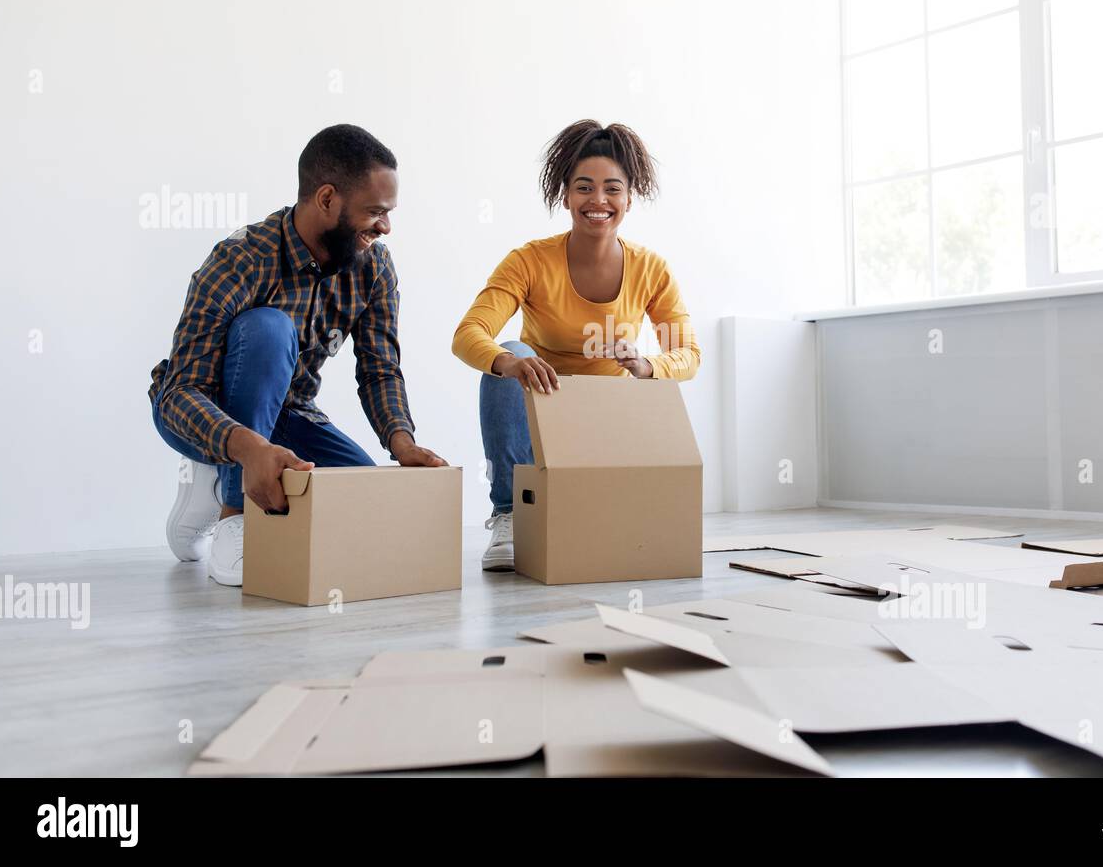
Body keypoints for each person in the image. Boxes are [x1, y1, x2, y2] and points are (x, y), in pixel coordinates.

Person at [149, 124, 446, 587]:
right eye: (375, 212)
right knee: (268, 329)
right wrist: (249, 450)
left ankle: (222, 474)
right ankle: (234, 512)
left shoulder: (375, 266)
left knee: (364, 501)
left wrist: (401, 442)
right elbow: (179, 393)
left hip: (289, 415)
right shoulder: (240, 260)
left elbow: (379, 369)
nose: (385, 227)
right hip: (204, 410)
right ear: (327, 199)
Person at [452, 120, 700, 571]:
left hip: (608, 421)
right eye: (584, 187)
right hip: (541, 416)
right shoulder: (528, 260)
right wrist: (508, 362)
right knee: (511, 349)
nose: (598, 201)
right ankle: (509, 512)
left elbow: (689, 355)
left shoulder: (652, 269)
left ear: (629, 198)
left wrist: (646, 366)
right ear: (566, 194)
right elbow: (468, 335)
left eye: (613, 189)